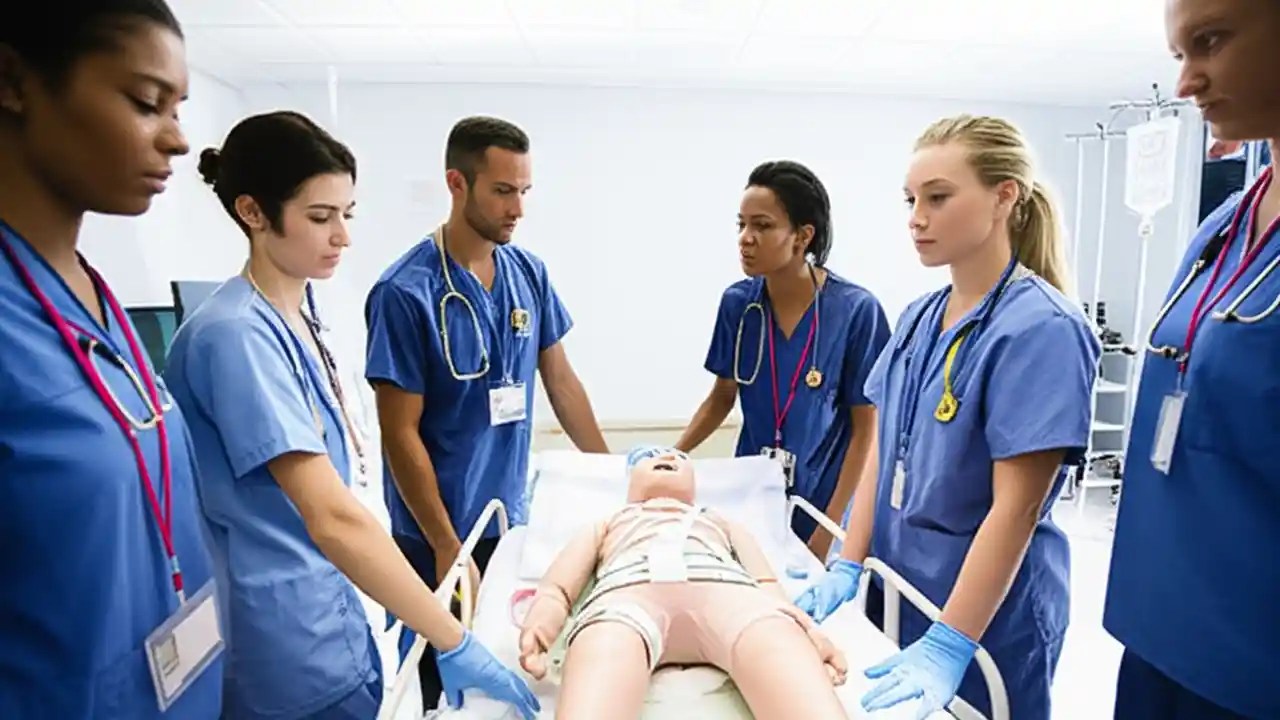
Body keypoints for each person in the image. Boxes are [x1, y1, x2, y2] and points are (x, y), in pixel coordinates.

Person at [164, 111, 537, 720]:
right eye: (320, 217)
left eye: (347, 214)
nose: (342, 236)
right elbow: (331, 515)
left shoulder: (298, 317)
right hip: (281, 646)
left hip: (329, 622)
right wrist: (452, 637)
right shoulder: (233, 338)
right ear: (253, 212)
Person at [794, 115, 1101, 720]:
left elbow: (1016, 508)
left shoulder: (1042, 330)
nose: (916, 217)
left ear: (1004, 195)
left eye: (938, 197)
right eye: (911, 200)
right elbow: (881, 448)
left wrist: (951, 641)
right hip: (904, 587)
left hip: (989, 614)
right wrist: (848, 560)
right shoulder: (917, 316)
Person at [0, 3, 225, 718]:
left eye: (179, 108)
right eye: (145, 102)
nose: (179, 140)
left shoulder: (93, 300)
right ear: (12, 80)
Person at [365, 114, 608, 711]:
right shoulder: (405, 291)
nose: (517, 208)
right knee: (436, 681)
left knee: (499, 667)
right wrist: (447, 544)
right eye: (503, 191)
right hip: (432, 531)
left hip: (505, 519)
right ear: (457, 183)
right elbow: (399, 433)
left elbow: (561, 380)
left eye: (524, 191)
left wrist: (613, 476)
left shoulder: (528, 273)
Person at [1104, 2, 1280, 718]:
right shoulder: (1221, 229)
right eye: (1179, 53)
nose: (1186, 82)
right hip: (1160, 638)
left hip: (1254, 665)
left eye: (1209, 42)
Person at [516, 444, 848, 720]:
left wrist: (804, 629)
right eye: (648, 457)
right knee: (602, 644)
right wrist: (540, 626)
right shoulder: (608, 523)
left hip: (727, 596)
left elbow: (766, 584)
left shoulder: (719, 521)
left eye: (680, 458)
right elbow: (557, 588)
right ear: (629, 482)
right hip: (627, 598)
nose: (666, 456)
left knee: (776, 636)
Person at [677, 160, 889, 559]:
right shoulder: (739, 305)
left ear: (803, 236)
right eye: (740, 224)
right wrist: (674, 454)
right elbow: (722, 396)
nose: (745, 238)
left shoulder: (856, 311)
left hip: (825, 500)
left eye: (762, 226)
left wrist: (828, 530)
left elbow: (866, 430)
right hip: (751, 496)